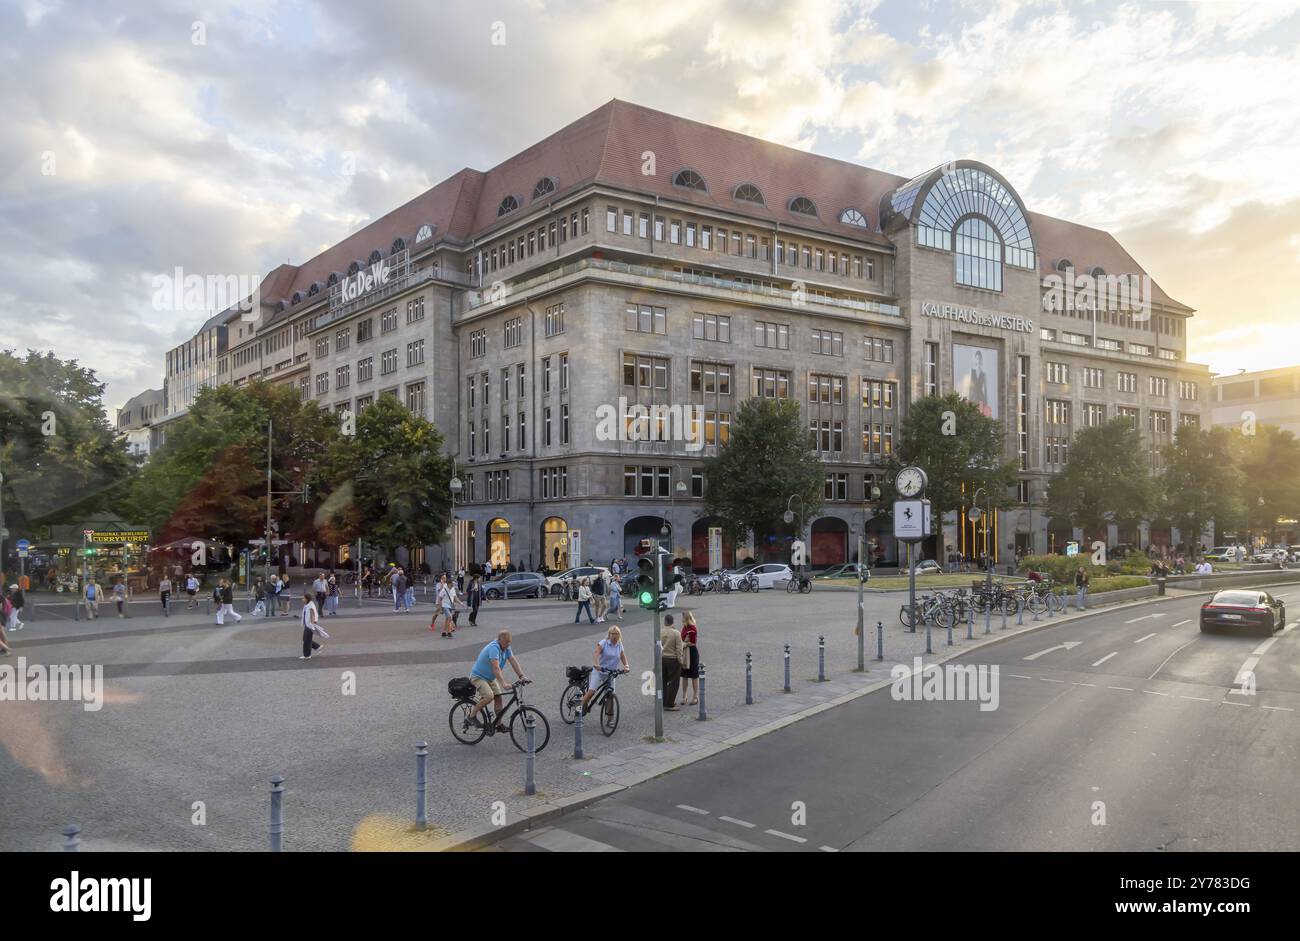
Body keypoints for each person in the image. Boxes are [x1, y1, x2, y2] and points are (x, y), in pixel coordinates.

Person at [467, 630, 528, 732]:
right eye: (506, 642)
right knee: (489, 696)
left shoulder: (506, 647)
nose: (508, 645)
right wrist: (503, 683)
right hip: (478, 677)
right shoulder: (494, 648)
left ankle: (498, 725)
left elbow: (513, 660)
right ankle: (471, 716)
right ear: (499, 640)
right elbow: (496, 667)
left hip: (489, 678)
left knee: (498, 697)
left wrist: (521, 676)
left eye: (509, 642)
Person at [580, 625, 629, 714]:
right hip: (599, 671)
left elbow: (622, 656)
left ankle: (610, 719)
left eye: (616, 634)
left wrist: (626, 665)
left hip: (610, 673)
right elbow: (596, 653)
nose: (614, 635)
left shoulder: (619, 644)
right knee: (591, 691)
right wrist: (596, 664)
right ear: (609, 634)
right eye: (612, 633)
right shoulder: (604, 642)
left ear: (619, 635)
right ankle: (579, 708)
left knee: (610, 696)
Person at [661, 614, 685, 710]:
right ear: (672, 622)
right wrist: (681, 661)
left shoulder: (660, 631)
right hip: (673, 659)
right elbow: (679, 649)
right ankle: (670, 703)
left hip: (663, 659)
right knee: (674, 683)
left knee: (663, 681)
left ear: (665, 622)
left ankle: (663, 701)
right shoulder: (676, 633)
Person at [298, 590, 328, 659]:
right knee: (306, 639)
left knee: (306, 640)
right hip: (307, 624)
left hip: (310, 625)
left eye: (303, 598)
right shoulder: (307, 604)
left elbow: (313, 614)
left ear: (307, 599)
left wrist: (312, 623)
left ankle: (307, 655)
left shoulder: (310, 605)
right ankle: (317, 647)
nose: (302, 599)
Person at [680, 610, 700, 705]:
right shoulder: (685, 627)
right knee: (684, 676)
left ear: (686, 618)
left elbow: (693, 642)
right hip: (685, 653)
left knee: (694, 676)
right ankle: (684, 696)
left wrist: (684, 644)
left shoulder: (692, 628)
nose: (682, 619)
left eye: (683, 617)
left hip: (692, 653)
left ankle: (695, 697)